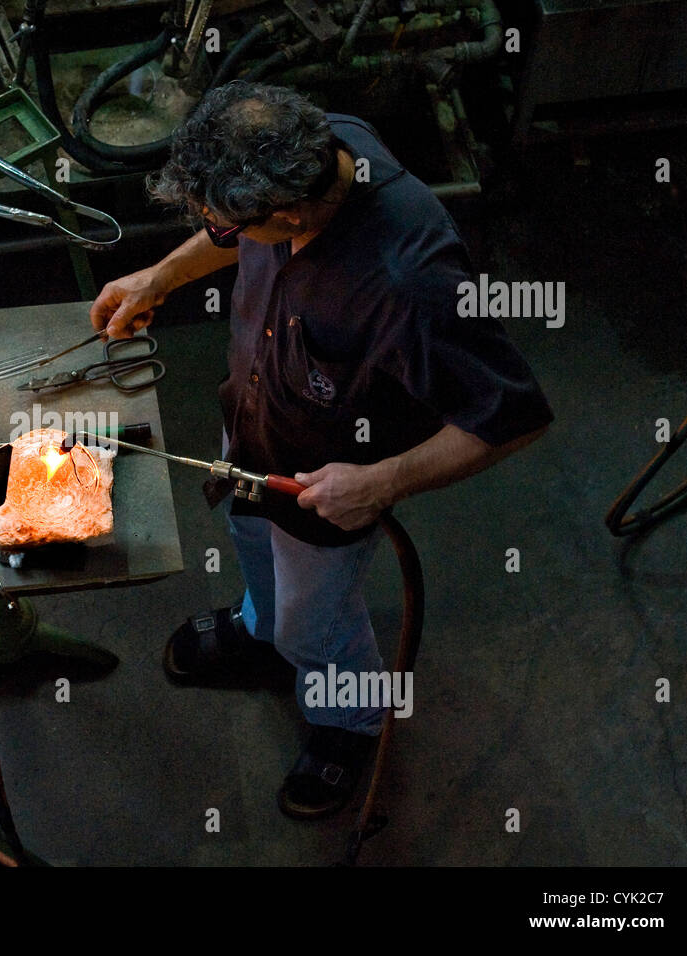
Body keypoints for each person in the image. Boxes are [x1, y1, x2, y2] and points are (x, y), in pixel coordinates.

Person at [89, 83, 554, 819]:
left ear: (289, 217)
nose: (217, 235)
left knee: (318, 624)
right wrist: (160, 277)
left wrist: (379, 483)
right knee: (249, 539)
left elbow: (513, 414)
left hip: (328, 486)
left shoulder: (410, 280)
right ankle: (262, 634)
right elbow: (228, 235)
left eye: (227, 224)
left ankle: (349, 721)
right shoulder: (311, 141)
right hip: (253, 426)